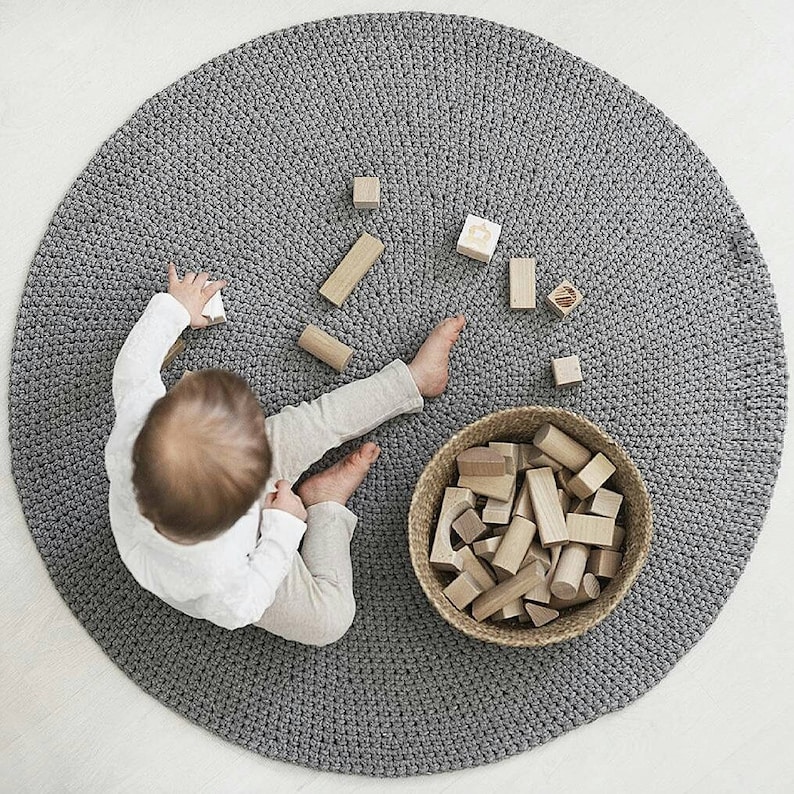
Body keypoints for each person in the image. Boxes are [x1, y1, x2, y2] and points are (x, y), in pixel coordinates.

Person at [105, 263, 465, 645]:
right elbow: (245, 606)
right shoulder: (212, 573)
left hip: (222, 495)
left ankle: (414, 379)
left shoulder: (138, 425)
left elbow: (134, 370)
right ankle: (325, 506)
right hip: (254, 552)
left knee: (315, 422)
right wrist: (283, 528)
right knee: (330, 620)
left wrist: (175, 308)